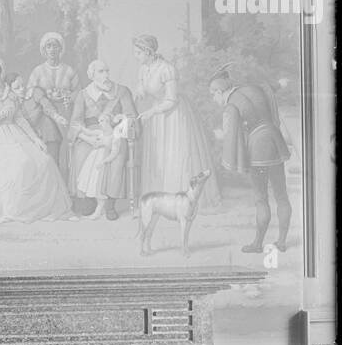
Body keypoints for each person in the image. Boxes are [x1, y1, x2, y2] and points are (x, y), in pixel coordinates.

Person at [0, 58, 72, 223]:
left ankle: (39, 209)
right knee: (21, 163)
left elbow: (19, 119)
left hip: (16, 134)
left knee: (44, 161)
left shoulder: (10, 94)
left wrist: (35, 139)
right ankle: (15, 209)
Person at [133, 34, 220, 208]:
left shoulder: (167, 69)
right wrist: (139, 90)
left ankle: (179, 200)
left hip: (173, 115)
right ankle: (159, 198)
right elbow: (142, 86)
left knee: (174, 154)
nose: (136, 56)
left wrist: (152, 112)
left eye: (138, 53)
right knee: (158, 156)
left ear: (148, 52)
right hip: (156, 116)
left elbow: (171, 100)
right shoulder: (143, 68)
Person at [209, 73, 292, 253]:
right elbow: (269, 88)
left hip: (259, 148)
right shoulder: (253, 88)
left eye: (213, 94)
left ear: (220, 91)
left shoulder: (231, 106)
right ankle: (282, 242)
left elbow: (230, 136)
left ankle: (257, 244)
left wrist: (221, 136)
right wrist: (280, 83)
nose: (213, 99)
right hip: (275, 140)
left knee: (261, 198)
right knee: (281, 195)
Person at [67, 59, 139, 220]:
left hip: (115, 133)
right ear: (91, 75)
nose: (106, 75)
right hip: (90, 134)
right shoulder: (83, 95)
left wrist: (120, 128)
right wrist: (88, 138)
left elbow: (132, 116)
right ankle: (88, 198)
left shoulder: (122, 91)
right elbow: (75, 123)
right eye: (101, 71)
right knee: (81, 152)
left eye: (107, 71)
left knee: (116, 156)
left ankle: (110, 203)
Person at [26, 32, 79, 177]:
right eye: (48, 46)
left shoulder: (69, 70)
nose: (52, 49)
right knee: (52, 141)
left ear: (60, 48)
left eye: (55, 46)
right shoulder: (37, 71)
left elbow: (78, 92)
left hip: (66, 111)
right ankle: (52, 179)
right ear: (44, 50)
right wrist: (45, 97)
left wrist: (69, 97)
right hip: (45, 114)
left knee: (68, 146)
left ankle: (66, 181)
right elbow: (30, 93)